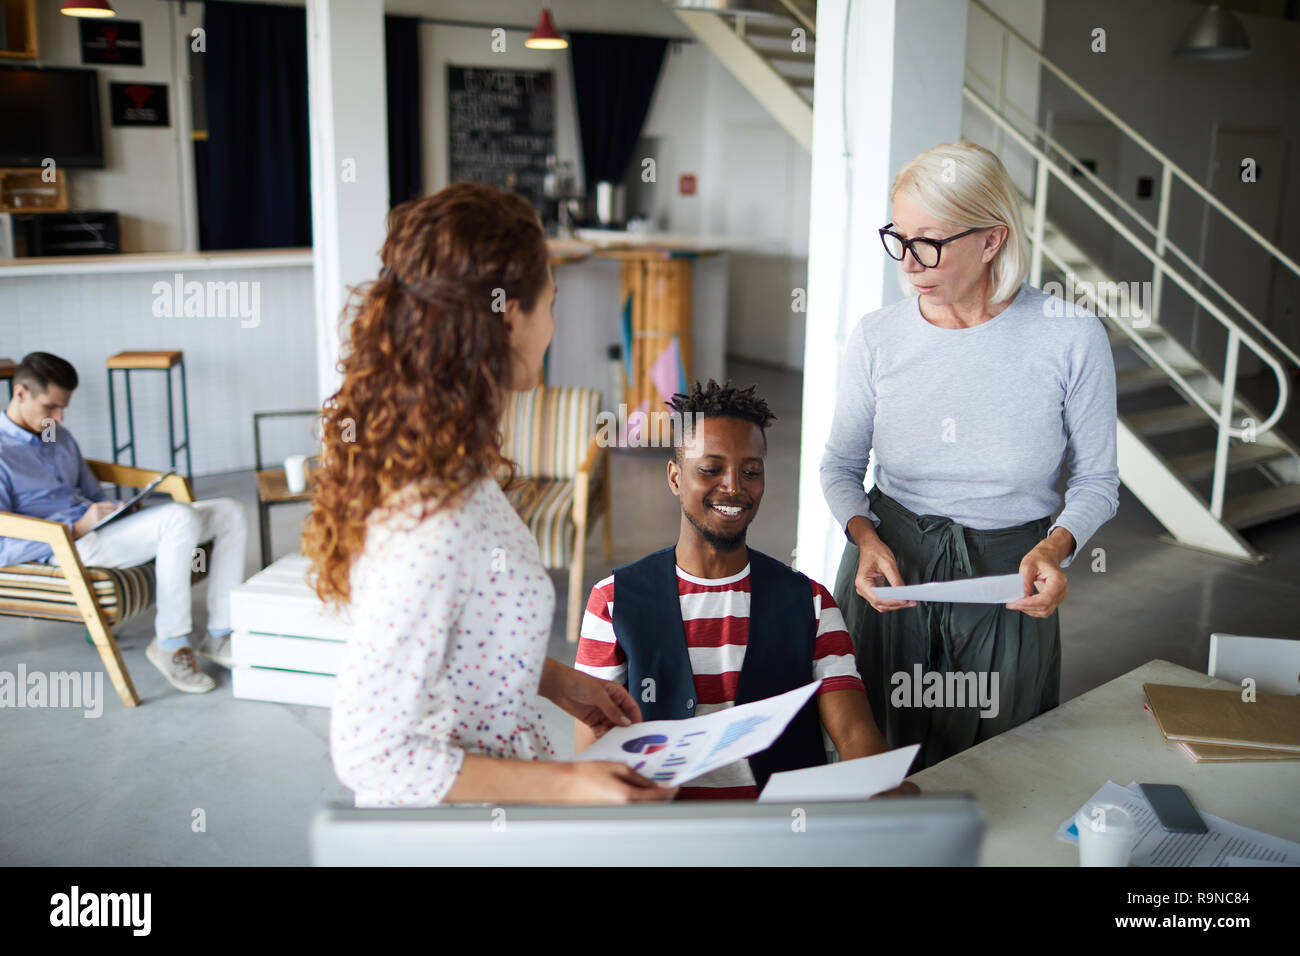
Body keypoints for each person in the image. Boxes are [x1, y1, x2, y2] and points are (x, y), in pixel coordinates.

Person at [305, 182, 676, 807]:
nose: (552, 326)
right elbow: (370, 752)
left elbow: (458, 641)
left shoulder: (443, 459)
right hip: (454, 833)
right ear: (508, 321)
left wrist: (558, 682)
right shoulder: (434, 521)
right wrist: (568, 782)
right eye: (550, 304)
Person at [821, 140, 1119, 771]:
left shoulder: (1070, 336)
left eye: (929, 242)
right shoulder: (878, 337)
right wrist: (864, 538)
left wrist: (1055, 548)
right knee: (873, 760)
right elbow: (840, 466)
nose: (909, 263)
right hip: (891, 570)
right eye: (899, 238)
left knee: (997, 769)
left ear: (992, 240)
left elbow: (1097, 480)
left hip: (1009, 580)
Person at [575, 380, 896, 799]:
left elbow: (854, 735)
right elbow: (590, 760)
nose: (733, 487)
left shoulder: (813, 604)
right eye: (710, 469)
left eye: (751, 472)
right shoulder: (612, 602)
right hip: (660, 828)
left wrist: (882, 789)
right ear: (675, 477)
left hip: (779, 828)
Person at [0, 351, 248, 694]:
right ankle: (171, 644)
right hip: (67, 546)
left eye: (63, 408)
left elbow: (90, 493)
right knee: (178, 519)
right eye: (50, 407)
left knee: (229, 512)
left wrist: (120, 509)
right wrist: (76, 528)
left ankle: (220, 634)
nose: (58, 418)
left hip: (100, 530)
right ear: (20, 393)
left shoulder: (54, 434)